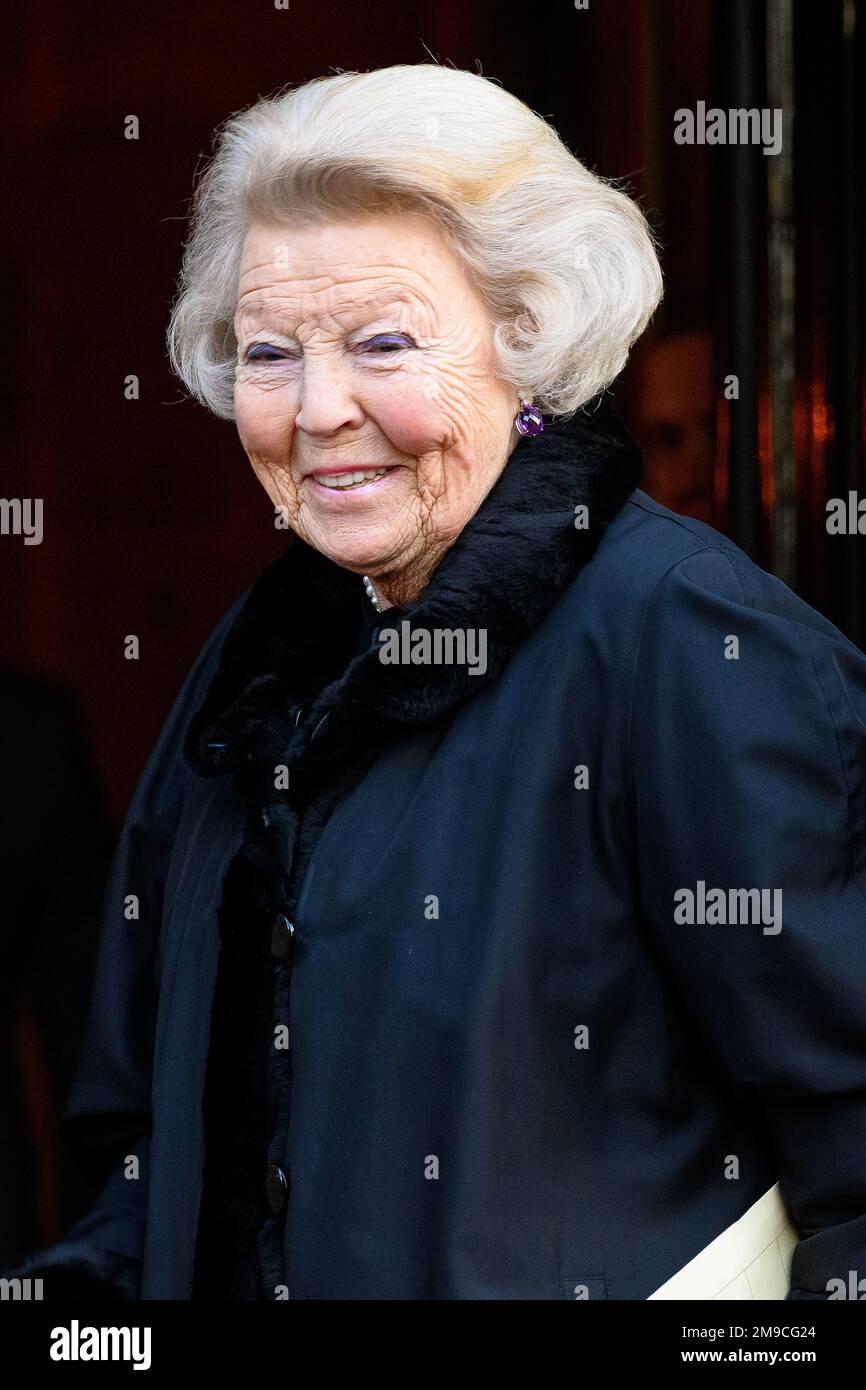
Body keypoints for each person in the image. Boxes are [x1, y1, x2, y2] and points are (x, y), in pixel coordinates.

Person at [6, 63, 866, 1301]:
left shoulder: (685, 641)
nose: (317, 410)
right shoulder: (251, 669)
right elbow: (148, 1162)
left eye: (381, 343)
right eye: (266, 353)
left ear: (526, 337)